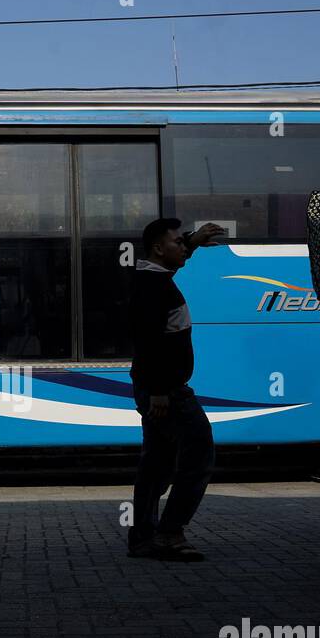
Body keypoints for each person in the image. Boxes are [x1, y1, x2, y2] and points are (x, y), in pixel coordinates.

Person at [127, 218, 225, 560]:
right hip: (166, 390)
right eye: (177, 242)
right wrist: (158, 391)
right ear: (158, 248)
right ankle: (168, 534)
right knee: (199, 455)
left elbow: (173, 253)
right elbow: (149, 342)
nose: (183, 246)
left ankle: (142, 538)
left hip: (157, 387)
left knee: (156, 462)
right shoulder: (155, 288)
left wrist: (193, 241)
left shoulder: (153, 278)